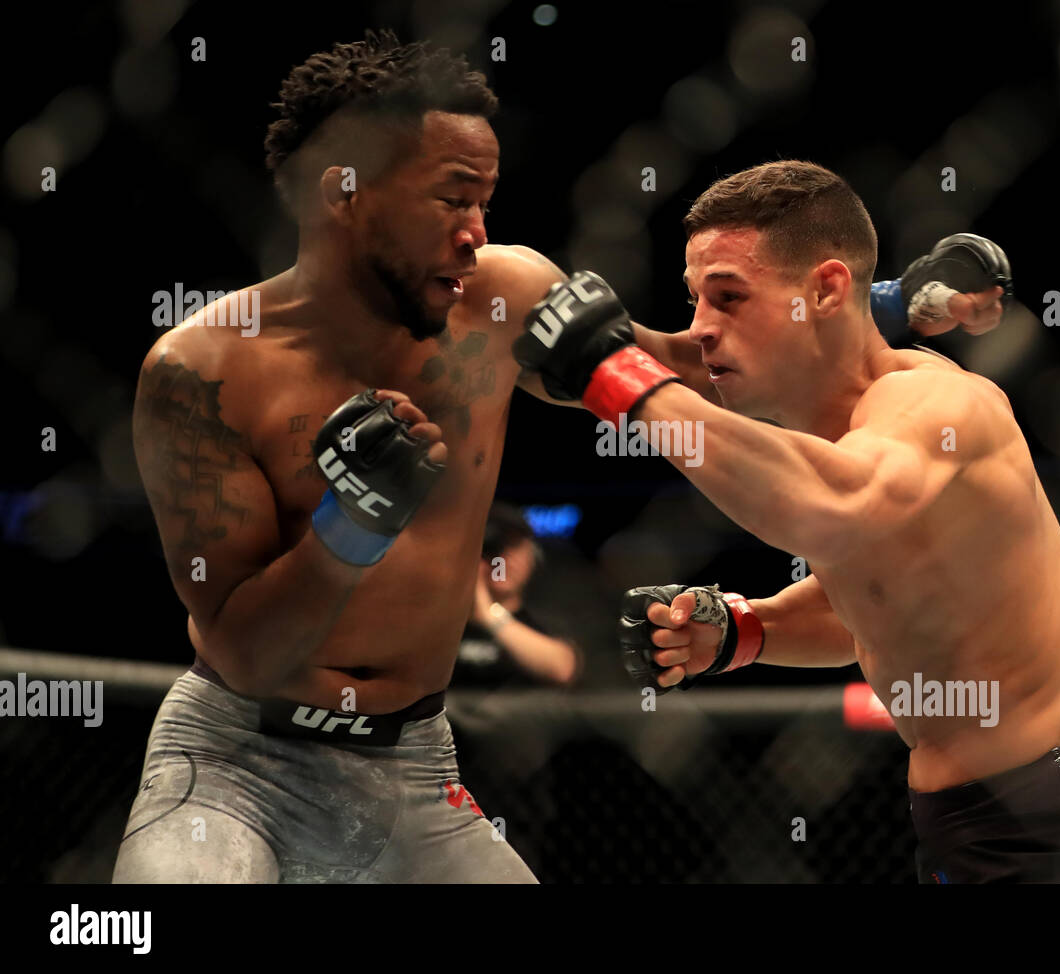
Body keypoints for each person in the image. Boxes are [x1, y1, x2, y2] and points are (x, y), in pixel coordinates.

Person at [115, 28, 1001, 883]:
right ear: (344, 192)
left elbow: (674, 356)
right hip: (237, 765)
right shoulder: (201, 372)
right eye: (452, 197)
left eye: (485, 201)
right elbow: (247, 649)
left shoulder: (502, 295)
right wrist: (351, 529)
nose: (475, 230)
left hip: (413, 773)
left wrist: (886, 305)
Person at [511, 160, 1060, 883]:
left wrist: (617, 380)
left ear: (823, 290)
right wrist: (743, 631)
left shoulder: (935, 409)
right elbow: (870, 606)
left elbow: (831, 511)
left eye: (729, 299)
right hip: (956, 828)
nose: (700, 329)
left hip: (1052, 827)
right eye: (695, 299)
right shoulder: (844, 428)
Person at [457, 503, 580, 687]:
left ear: (533, 557)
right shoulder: (444, 623)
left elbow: (563, 669)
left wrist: (488, 614)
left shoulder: (547, 619)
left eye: (514, 546)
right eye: (493, 548)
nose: (502, 561)